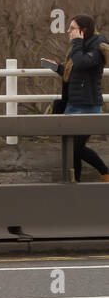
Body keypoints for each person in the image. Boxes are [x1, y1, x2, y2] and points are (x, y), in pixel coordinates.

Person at [45, 14, 109, 182]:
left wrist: (77, 43)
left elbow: (82, 63)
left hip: (89, 105)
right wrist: (58, 68)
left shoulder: (98, 46)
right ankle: (76, 183)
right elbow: (73, 72)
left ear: (83, 30)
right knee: (72, 148)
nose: (68, 31)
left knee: (76, 147)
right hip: (72, 104)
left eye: (72, 28)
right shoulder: (79, 47)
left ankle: (105, 172)